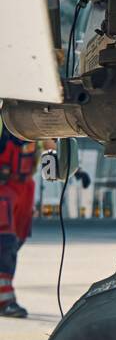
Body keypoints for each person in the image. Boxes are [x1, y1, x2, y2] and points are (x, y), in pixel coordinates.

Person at [0, 125, 39, 319]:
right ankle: (4, 301)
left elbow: (50, 145)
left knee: (15, 243)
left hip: (24, 190)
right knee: (4, 244)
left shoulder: (33, 120)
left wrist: (74, 168)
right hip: (3, 188)